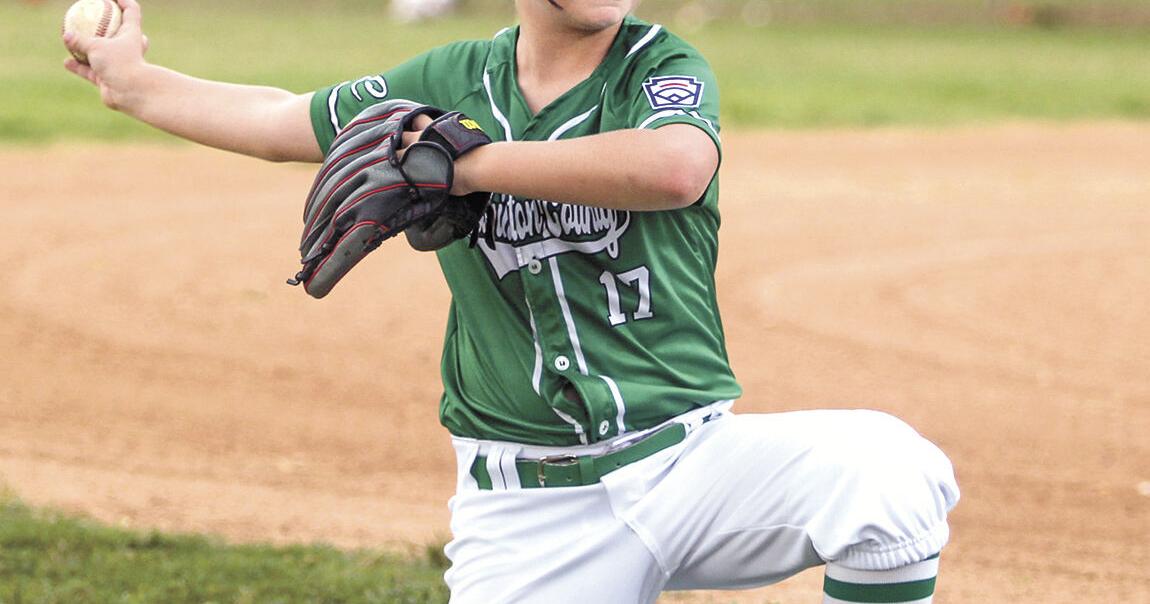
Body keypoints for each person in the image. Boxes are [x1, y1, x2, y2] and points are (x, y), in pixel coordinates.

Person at [64, 1, 960, 602]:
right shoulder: (451, 77)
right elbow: (277, 119)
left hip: (688, 466)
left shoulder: (658, 66)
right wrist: (133, 83)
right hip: (529, 508)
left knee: (885, 471)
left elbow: (675, 166)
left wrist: (461, 164)